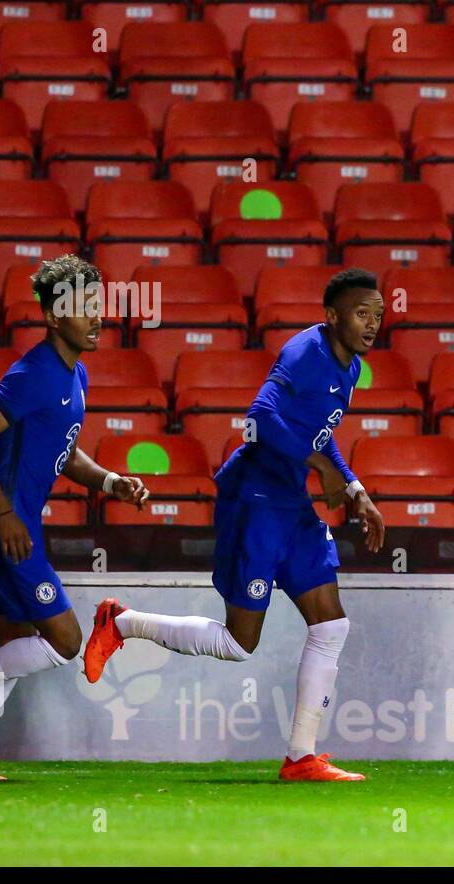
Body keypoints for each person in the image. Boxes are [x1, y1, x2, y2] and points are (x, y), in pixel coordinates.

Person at [83, 268, 386, 783]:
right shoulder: (303, 354)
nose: (373, 323)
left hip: (291, 504)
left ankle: (301, 757)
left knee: (331, 624)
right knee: (238, 643)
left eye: (378, 314)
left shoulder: (350, 367)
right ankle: (122, 623)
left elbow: (321, 434)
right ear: (331, 316)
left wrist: (354, 487)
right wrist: (323, 469)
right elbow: (261, 419)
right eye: (362, 313)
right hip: (255, 501)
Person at [0, 255, 149, 781]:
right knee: (65, 641)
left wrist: (111, 481)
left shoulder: (76, 374)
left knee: (14, 644)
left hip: (13, 521)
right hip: (1, 522)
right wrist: (4, 513)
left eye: (98, 306)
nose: (96, 317)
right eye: (82, 308)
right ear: (53, 318)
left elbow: (66, 451)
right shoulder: (33, 372)